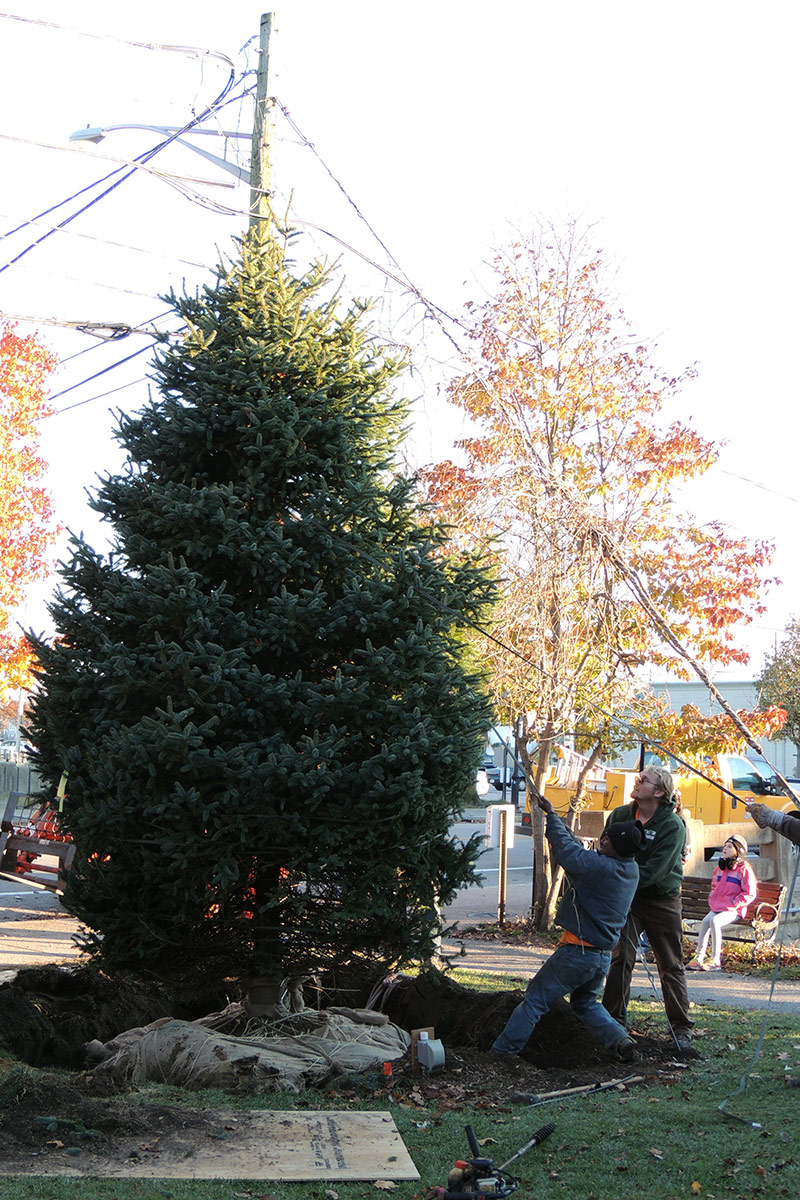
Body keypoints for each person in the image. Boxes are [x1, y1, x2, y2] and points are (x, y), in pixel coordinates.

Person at [491, 791, 645, 1062]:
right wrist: (561, 825)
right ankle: (620, 1039)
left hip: (577, 952)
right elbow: (580, 854)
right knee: (585, 1003)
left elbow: (568, 853)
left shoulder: (600, 868)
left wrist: (551, 815)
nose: (603, 839)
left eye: (607, 838)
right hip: (601, 957)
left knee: (535, 1000)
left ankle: (503, 1052)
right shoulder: (629, 870)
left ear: (617, 846)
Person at [602, 765, 695, 1053]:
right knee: (621, 958)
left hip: (661, 900)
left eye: (644, 780)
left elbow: (656, 871)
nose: (637, 781)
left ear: (658, 792)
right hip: (627, 899)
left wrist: (619, 878)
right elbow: (606, 848)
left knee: (670, 964)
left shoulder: (672, 825)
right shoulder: (621, 815)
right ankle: (611, 1023)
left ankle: (681, 1028)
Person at [685, 834, 757, 971]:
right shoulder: (720, 868)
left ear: (738, 851)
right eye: (724, 846)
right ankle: (699, 958)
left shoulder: (743, 868)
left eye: (729, 847)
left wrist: (735, 902)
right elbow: (714, 886)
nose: (725, 849)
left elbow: (750, 892)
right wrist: (713, 898)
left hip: (734, 909)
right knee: (706, 921)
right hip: (719, 907)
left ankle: (715, 959)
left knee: (715, 921)